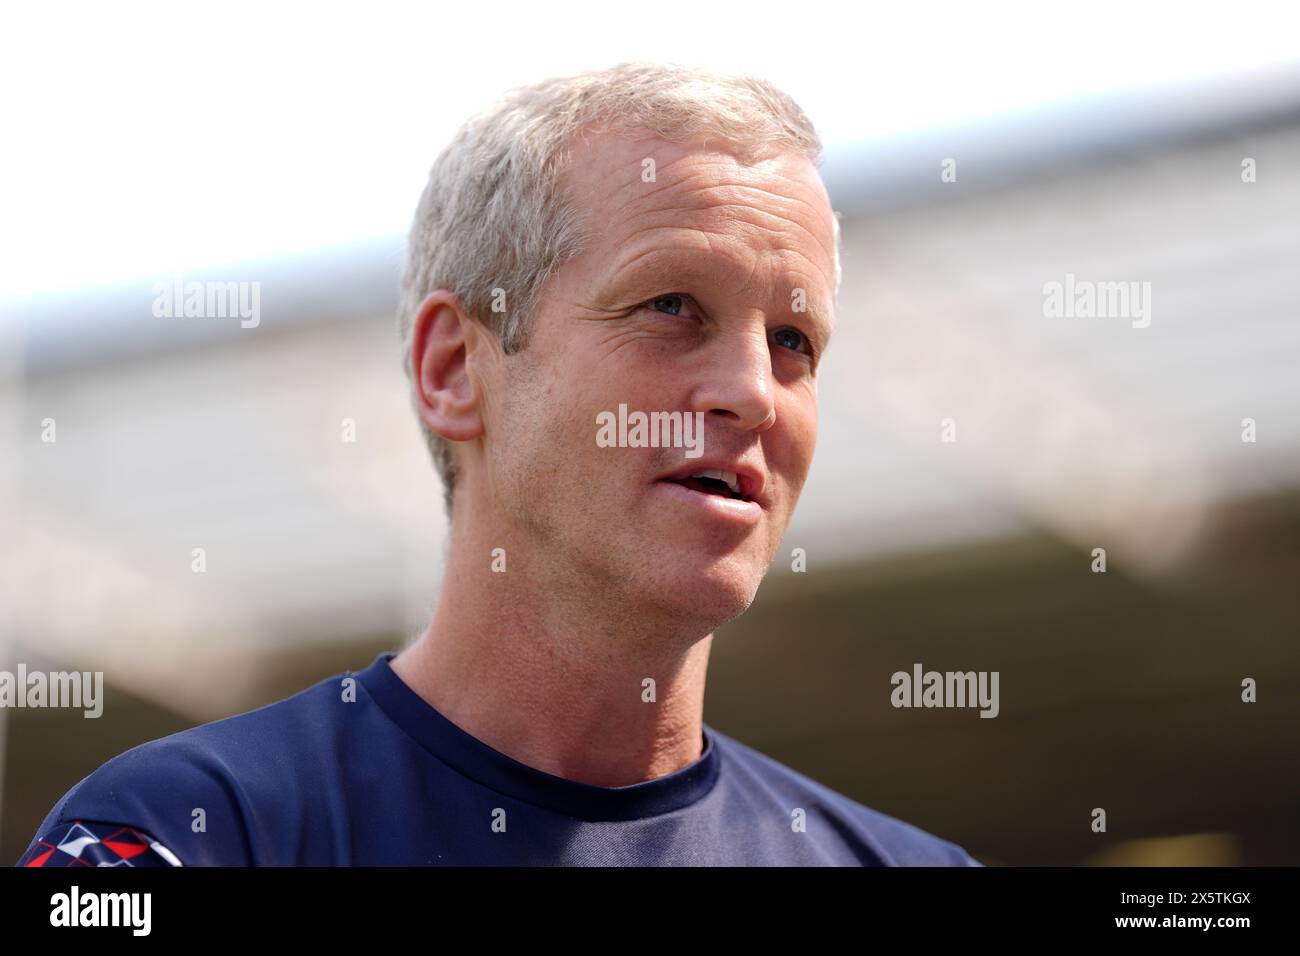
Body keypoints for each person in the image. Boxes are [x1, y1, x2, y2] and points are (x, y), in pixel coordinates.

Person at [18, 62, 980, 866]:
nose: (755, 393)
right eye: (671, 306)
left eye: (794, 341)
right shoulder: (186, 835)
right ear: (455, 368)